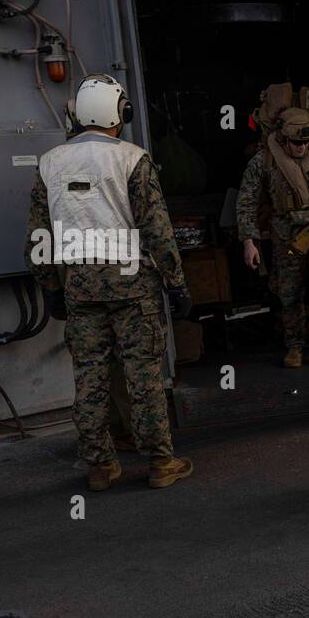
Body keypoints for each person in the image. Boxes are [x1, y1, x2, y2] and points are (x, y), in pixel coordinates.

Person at [27, 73, 193, 490]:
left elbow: (38, 234)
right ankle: (160, 463)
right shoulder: (133, 158)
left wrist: (50, 288)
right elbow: (157, 229)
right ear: (118, 112)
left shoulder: (49, 162)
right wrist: (176, 282)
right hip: (133, 285)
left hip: (79, 285)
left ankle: (100, 467)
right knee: (143, 375)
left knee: (90, 377)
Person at [235, 107, 309, 367]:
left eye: (305, 142)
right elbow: (246, 201)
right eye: (295, 143)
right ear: (282, 138)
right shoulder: (264, 161)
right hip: (286, 236)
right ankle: (295, 345)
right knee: (290, 292)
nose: (301, 148)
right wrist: (249, 241)